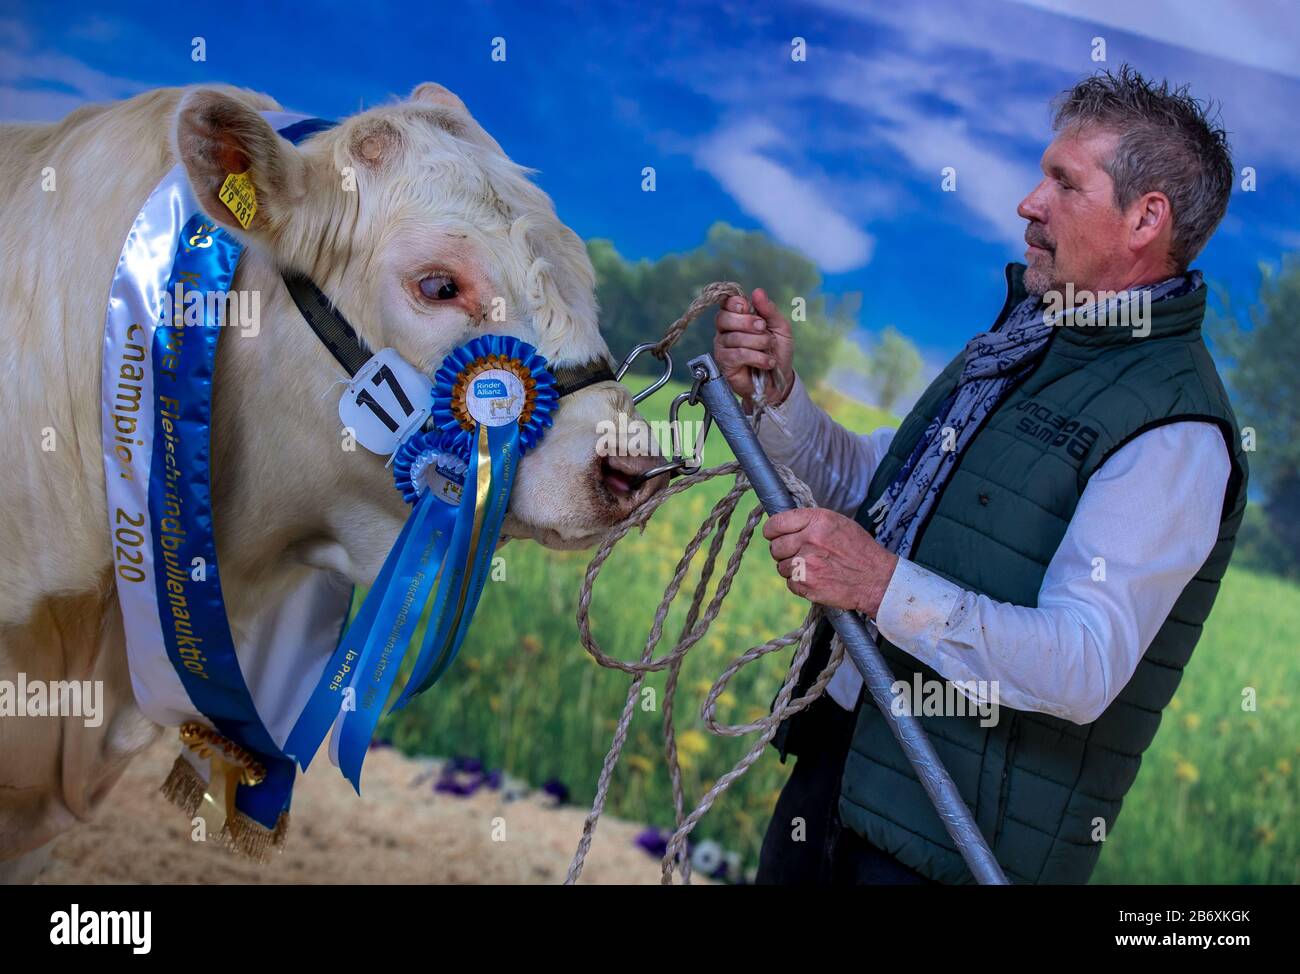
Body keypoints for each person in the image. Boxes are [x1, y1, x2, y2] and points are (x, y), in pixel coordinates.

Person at [713, 66, 1248, 885]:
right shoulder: (1022, 342)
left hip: (948, 853)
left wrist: (882, 586)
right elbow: (881, 492)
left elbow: (1083, 664)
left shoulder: (1173, 428)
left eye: (1063, 183)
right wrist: (782, 403)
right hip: (842, 777)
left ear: (1145, 218)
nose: (1028, 204)